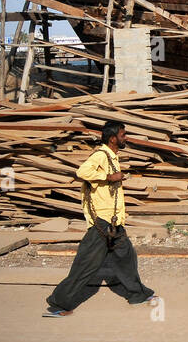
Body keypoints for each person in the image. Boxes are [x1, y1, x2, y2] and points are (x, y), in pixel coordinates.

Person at [43, 121, 158, 317]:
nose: (126, 138)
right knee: (86, 264)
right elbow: (82, 172)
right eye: (123, 135)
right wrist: (109, 177)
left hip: (113, 221)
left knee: (126, 258)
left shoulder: (112, 156)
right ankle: (59, 304)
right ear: (113, 138)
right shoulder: (100, 155)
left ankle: (137, 294)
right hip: (101, 223)